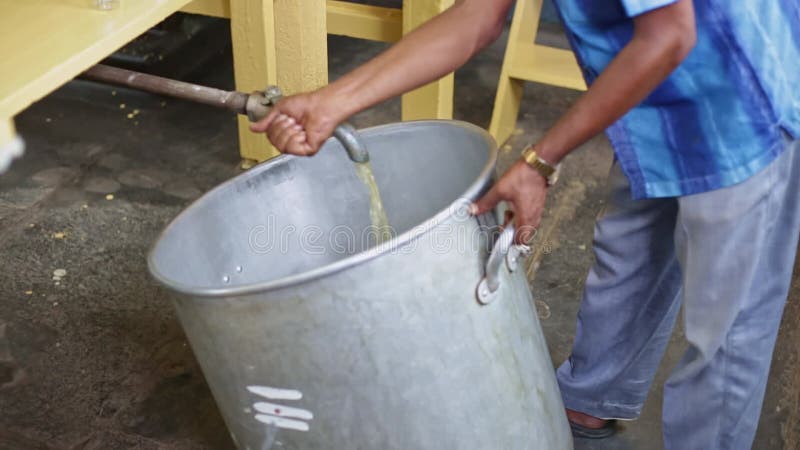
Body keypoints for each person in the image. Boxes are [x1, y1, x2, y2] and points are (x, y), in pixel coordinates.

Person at [250, 0, 800, 448]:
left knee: (726, 331)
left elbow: (668, 35)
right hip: (650, 102)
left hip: (738, 98)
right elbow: (477, 15)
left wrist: (540, 160)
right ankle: (587, 412)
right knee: (632, 255)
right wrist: (331, 103)